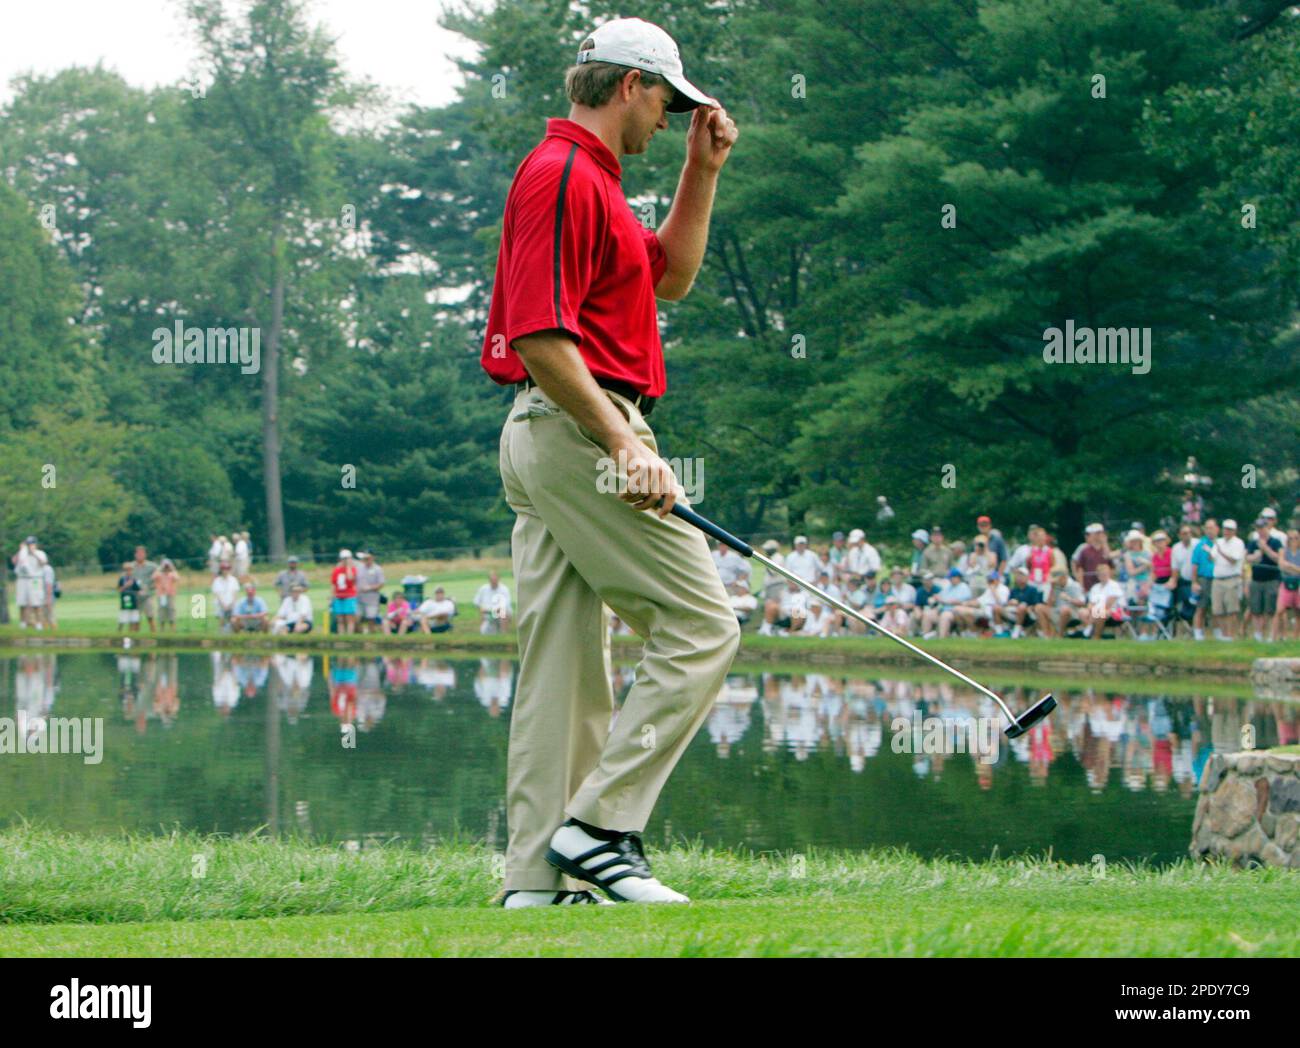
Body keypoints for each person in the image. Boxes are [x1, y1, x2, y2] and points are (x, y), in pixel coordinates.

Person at [480, 15, 738, 907]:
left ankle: (537, 884)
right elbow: (539, 331)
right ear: (630, 84)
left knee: (563, 659)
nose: (670, 117)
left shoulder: (597, 183)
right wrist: (624, 443)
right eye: (668, 99)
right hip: (577, 426)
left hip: (553, 432)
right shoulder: (559, 176)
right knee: (704, 626)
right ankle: (600, 829)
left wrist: (702, 171)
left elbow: (668, 277)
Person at [1245, 512, 1284, 642]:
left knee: (1270, 609)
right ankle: (1258, 634)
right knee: (1256, 609)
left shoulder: (1275, 542)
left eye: (1262, 527)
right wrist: (1256, 555)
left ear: (1267, 527)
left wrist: (1265, 549)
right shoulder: (1252, 543)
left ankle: (1270, 635)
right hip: (1256, 579)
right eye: (1258, 528)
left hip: (1271, 580)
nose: (1260, 530)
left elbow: (1278, 558)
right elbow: (1247, 558)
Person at [1210, 519, 1245, 640]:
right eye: (1225, 529)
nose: (1227, 532)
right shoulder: (1218, 542)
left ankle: (1231, 635)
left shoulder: (1238, 543)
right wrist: (1209, 550)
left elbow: (1233, 560)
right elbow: (1212, 557)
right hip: (1218, 578)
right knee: (1217, 609)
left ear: (1234, 531)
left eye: (1229, 529)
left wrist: (1221, 551)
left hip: (1232, 578)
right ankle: (1224, 635)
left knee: (1231, 609)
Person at [1271, 529, 1300, 642]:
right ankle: (1273, 637)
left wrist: (1291, 566)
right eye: (1290, 538)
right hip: (1286, 582)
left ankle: (1295, 638)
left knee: (1298, 612)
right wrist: (1294, 568)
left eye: (1296, 538)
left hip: (1298, 583)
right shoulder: (1283, 551)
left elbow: (1287, 566)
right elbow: (1281, 565)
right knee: (1279, 610)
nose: (1293, 540)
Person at [12, 537, 48, 629]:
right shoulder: (22, 553)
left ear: (35, 545)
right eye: (28, 544)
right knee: (22, 601)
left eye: (32, 544)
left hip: (35, 579)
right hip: (22, 579)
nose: (30, 546)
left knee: (36, 602)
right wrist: (20, 551)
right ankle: (23, 623)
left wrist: (33, 554)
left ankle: (39, 623)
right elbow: (14, 561)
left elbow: (43, 563)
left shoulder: (40, 553)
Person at [1086, 561, 1127, 640]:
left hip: (1115, 611)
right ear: (1098, 575)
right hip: (1097, 610)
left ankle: (1095, 636)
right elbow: (1091, 603)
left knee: (1101, 613)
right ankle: (1088, 632)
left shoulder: (1114, 585)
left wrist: (1095, 610)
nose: (1104, 576)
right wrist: (1090, 609)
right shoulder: (1095, 587)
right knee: (1083, 612)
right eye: (1101, 574)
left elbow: (1109, 604)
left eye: (1105, 574)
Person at [1072, 523, 1112, 592]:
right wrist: (1081, 585)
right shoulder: (1084, 550)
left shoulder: (1105, 549)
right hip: (1089, 585)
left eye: (1100, 533)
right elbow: (1079, 568)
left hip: (1105, 586)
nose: (1099, 535)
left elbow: (1111, 566)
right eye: (1097, 533)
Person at [356, 551, 386, 634]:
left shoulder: (377, 569)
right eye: (365, 558)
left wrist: (369, 588)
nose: (366, 560)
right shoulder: (359, 568)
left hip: (372, 600)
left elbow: (381, 584)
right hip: (359, 599)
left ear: (372, 558)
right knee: (357, 618)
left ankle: (371, 636)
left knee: (371, 619)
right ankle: (360, 635)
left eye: (368, 558)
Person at [131, 546, 159, 633]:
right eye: (138, 553)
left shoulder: (152, 566)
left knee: (150, 616)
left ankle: (154, 636)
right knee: (135, 619)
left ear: (145, 554)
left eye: (142, 553)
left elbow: (159, 576)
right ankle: (136, 639)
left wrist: (152, 586)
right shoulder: (131, 566)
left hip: (147, 595)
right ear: (135, 554)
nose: (140, 555)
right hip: (135, 596)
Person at [330, 550, 359, 634]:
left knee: (349, 619)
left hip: (349, 596)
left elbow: (350, 578)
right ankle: (341, 636)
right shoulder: (336, 570)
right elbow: (333, 584)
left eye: (347, 558)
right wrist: (332, 597)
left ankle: (349, 636)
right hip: (339, 597)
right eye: (343, 558)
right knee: (340, 620)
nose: (345, 560)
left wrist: (348, 566)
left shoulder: (352, 569)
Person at [211, 561, 241, 632]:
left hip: (232, 604)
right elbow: (218, 595)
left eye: (227, 568)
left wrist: (231, 605)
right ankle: (221, 635)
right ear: (221, 570)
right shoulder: (217, 581)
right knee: (221, 620)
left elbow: (235, 594)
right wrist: (224, 605)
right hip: (221, 605)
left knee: (234, 620)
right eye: (224, 568)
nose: (225, 570)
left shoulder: (234, 580)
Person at [155, 559, 179, 632]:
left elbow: (177, 578)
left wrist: (172, 568)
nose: (166, 567)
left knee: (171, 610)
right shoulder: (159, 574)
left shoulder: (172, 574)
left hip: (170, 595)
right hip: (161, 595)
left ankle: (173, 629)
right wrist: (160, 568)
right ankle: (162, 629)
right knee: (162, 611)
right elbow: (153, 577)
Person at [117, 561, 141, 633]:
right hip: (125, 600)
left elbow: (138, 590)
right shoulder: (122, 579)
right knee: (123, 617)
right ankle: (119, 632)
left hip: (133, 600)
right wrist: (126, 585)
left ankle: (132, 632)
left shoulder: (134, 579)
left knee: (134, 618)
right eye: (127, 570)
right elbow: (119, 590)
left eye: (130, 570)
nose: (129, 571)